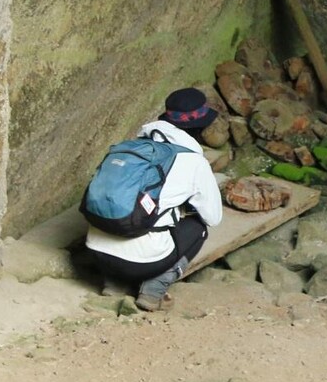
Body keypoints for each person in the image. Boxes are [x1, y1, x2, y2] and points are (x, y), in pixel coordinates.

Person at [85, 88, 224, 311]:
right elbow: (214, 216)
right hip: (141, 264)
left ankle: (115, 283)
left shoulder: (127, 147)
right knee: (200, 226)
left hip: (96, 252)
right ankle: (153, 289)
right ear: (200, 127)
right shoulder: (193, 162)